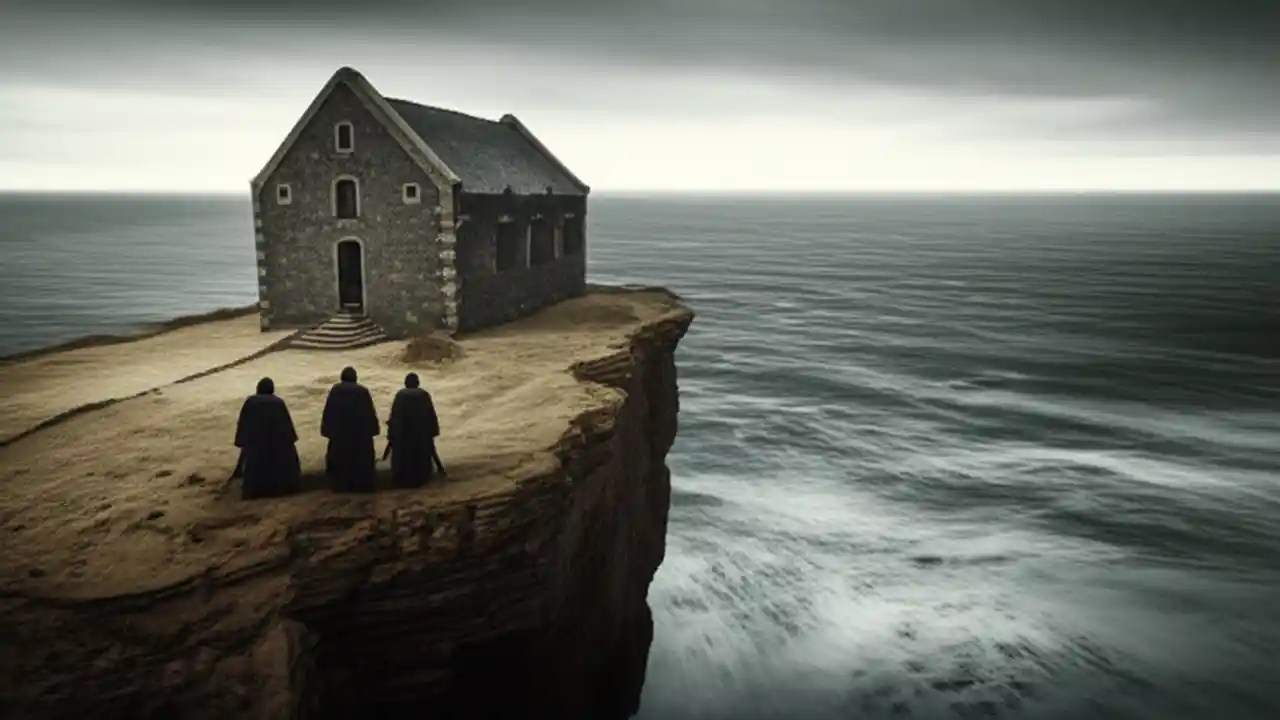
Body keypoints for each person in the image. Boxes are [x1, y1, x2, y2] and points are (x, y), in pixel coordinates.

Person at [232, 377, 301, 499]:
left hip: (256, 448)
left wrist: (242, 442)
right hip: (278, 447)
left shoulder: (251, 402)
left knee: (254, 467)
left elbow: (243, 426)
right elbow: (287, 429)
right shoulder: (278, 403)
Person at [320, 366, 380, 492]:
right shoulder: (362, 391)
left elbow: (329, 412)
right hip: (360, 437)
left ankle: (341, 485)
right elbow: (369, 413)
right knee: (360, 462)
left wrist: (327, 430)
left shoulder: (335, 391)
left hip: (340, 437)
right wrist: (373, 429)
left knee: (340, 463)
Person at [384, 372, 446, 487]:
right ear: (417, 383)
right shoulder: (423, 395)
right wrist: (433, 431)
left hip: (403, 435)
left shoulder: (400, 395)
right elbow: (430, 415)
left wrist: (391, 434)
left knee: (402, 460)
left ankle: (401, 479)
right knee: (424, 457)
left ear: (405, 383)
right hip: (421, 434)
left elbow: (395, 417)